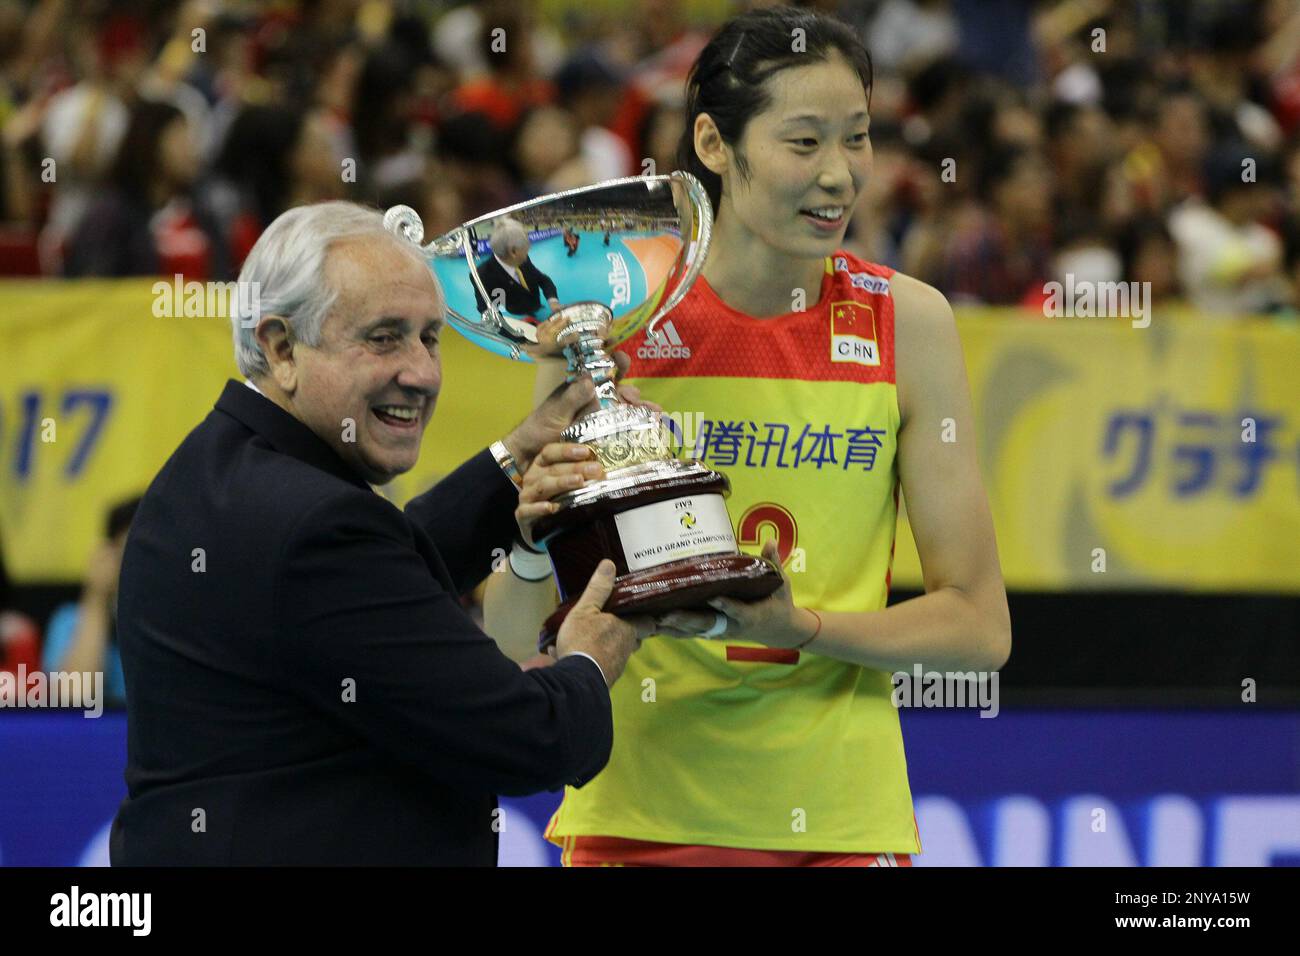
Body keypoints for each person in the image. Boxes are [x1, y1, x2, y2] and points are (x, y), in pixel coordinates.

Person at [486, 5, 1010, 866]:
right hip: (640, 819)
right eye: (804, 143)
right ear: (715, 143)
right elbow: (514, 642)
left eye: (858, 138)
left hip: (841, 826)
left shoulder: (906, 324)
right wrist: (530, 544)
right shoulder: (605, 324)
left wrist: (798, 624)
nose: (841, 175)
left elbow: (981, 630)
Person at [110, 201, 650, 866]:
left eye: (430, 337)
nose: (422, 373)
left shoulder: (214, 466)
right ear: (282, 348)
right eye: (384, 337)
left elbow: (374, 584)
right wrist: (591, 657)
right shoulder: (317, 530)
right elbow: (533, 738)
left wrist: (515, 459)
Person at [41, 496, 142, 709]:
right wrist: (96, 597)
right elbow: (73, 698)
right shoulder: (70, 620)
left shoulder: (183, 620)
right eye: (131, 553)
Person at [472, 216, 561, 321]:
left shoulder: (522, 259)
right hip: (517, 316)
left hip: (537, 307)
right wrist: (514, 333)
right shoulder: (482, 275)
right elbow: (486, 311)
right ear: (513, 252)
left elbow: (543, 280)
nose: (529, 248)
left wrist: (553, 302)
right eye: (526, 245)